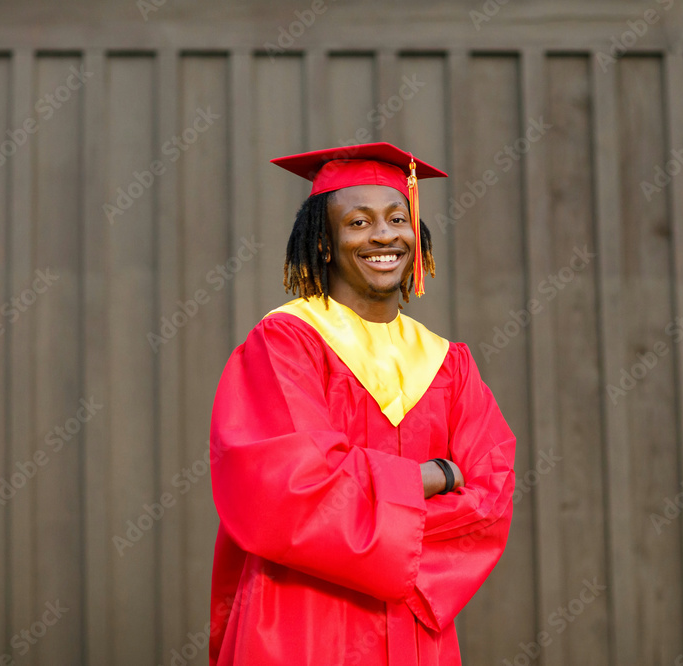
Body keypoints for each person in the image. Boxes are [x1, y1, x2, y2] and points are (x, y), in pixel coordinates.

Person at [207, 142, 516, 666]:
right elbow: (290, 491)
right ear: (324, 244)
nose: (383, 235)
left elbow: (491, 494)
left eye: (398, 217)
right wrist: (434, 476)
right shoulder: (286, 343)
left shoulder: (448, 363)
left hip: (413, 621)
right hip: (301, 620)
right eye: (358, 222)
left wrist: (369, 497)